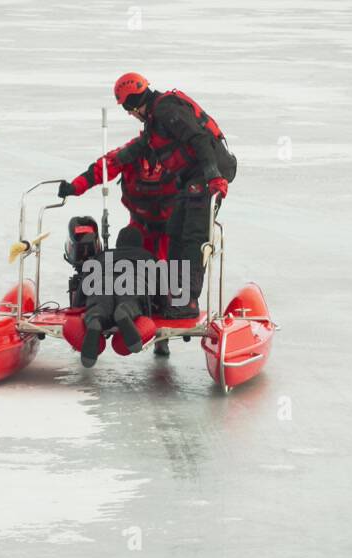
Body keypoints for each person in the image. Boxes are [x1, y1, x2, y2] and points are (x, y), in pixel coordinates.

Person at [108, 72, 237, 319]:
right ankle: (175, 295)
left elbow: (199, 139)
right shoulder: (155, 120)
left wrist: (213, 175)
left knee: (193, 234)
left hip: (208, 171)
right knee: (174, 229)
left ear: (133, 102)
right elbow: (145, 144)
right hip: (191, 177)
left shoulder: (167, 110)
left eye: (127, 107)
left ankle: (187, 300)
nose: (128, 113)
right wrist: (120, 159)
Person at [58, 136, 180, 355]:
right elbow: (104, 168)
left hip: (167, 228)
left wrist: (78, 304)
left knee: (118, 277)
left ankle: (97, 316)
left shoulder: (180, 152)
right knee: (153, 278)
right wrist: (76, 186)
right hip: (141, 224)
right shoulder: (133, 151)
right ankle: (147, 322)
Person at [80, 226, 156, 368]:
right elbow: (160, 286)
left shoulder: (102, 255)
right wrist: (164, 307)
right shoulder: (147, 256)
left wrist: (78, 303)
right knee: (130, 302)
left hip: (101, 282)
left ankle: (95, 318)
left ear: (118, 242)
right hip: (131, 283)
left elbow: (85, 282)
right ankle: (124, 311)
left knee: (99, 305)